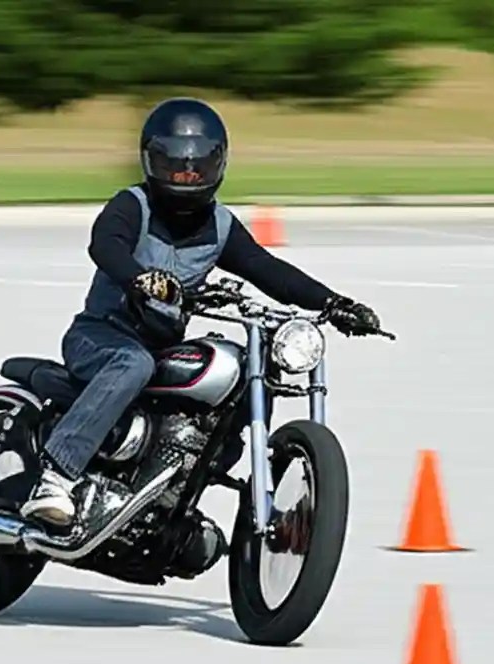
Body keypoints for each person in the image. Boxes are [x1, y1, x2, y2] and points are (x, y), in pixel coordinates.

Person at [20, 97, 383, 527]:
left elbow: (267, 269)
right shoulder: (133, 205)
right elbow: (105, 244)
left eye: (197, 165)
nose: (186, 174)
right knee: (131, 362)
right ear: (151, 160)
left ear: (218, 163)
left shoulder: (220, 226)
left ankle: (180, 491)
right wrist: (137, 278)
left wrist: (333, 303)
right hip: (101, 336)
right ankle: (56, 476)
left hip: (160, 349)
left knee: (235, 375)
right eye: (175, 163)